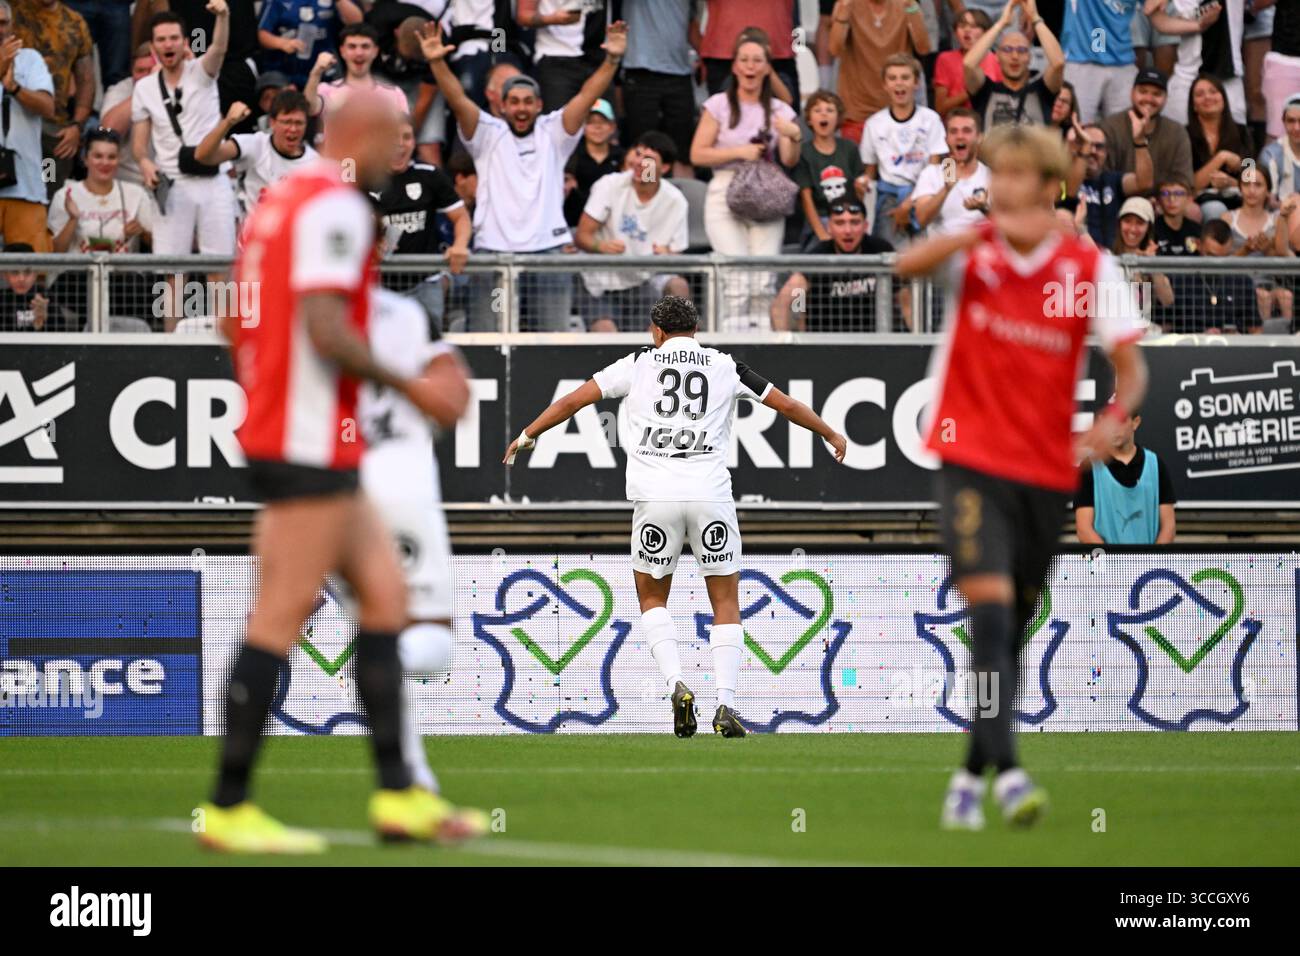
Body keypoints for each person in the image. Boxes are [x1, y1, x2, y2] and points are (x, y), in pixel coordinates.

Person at [200, 91, 486, 853]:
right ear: (364, 136)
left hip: (299, 430)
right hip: (308, 440)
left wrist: (265, 383)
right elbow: (328, 328)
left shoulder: (276, 201)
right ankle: (229, 805)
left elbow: (235, 315)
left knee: (386, 602)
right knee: (280, 614)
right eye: (398, 136)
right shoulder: (338, 206)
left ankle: (399, 797)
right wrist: (410, 385)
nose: (404, 151)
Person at [896, 123, 1148, 830]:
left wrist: (1109, 422)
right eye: (994, 175)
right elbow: (904, 268)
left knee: (1010, 632)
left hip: (1044, 471)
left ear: (1046, 186)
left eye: (1013, 175)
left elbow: (1131, 369)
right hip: (970, 459)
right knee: (990, 613)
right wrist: (970, 235)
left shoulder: (1088, 270)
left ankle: (970, 773)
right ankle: (1009, 773)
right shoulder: (975, 256)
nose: (998, 185)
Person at [504, 295, 848, 737]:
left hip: (656, 495)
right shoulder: (726, 365)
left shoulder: (636, 364)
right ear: (696, 329)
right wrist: (830, 432)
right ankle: (725, 704)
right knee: (725, 601)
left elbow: (573, 401)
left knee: (652, 599)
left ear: (656, 331)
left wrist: (528, 434)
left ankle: (676, 684)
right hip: (711, 494)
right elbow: (784, 405)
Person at [421, 17, 627, 332]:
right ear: (501, 105)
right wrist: (436, 63)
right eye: (514, 102)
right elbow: (457, 99)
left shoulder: (554, 131)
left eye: (528, 102)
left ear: (539, 105)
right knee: (490, 338)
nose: (521, 108)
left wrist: (612, 59)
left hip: (549, 252)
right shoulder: (487, 133)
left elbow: (587, 95)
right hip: (494, 253)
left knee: (553, 340)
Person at [358, 277, 475, 805]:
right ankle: (408, 788)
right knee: (425, 640)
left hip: (310, 481)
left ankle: (229, 800)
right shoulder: (403, 315)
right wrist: (409, 381)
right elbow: (453, 403)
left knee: (272, 630)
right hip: (396, 476)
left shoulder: (290, 310)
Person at [689, 30, 801, 330]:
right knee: (735, 276)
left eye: (757, 60)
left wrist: (794, 136)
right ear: (735, 66)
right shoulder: (717, 105)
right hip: (725, 187)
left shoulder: (780, 110)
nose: (751, 66)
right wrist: (741, 151)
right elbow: (697, 154)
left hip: (765, 192)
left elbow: (789, 159)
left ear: (767, 67)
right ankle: (731, 348)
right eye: (744, 60)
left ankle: (760, 349)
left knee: (762, 280)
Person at [132, 7, 237, 282]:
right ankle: (171, 328)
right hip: (173, 184)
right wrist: (144, 162)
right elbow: (140, 144)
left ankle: (220, 327)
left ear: (184, 42)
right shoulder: (144, 88)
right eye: (161, 39)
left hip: (214, 181)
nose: (168, 44)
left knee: (219, 268)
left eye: (173, 38)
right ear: (153, 46)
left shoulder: (202, 72)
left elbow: (219, 48)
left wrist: (223, 17)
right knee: (172, 273)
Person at [574, 132, 690, 332]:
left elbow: (676, 255)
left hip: (641, 283)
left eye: (649, 160)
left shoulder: (676, 201)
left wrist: (666, 255)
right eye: (637, 154)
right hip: (599, 283)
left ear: (664, 168)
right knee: (605, 331)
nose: (639, 163)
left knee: (654, 338)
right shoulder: (609, 185)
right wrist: (600, 246)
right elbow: (581, 237)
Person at [372, 111, 471, 332]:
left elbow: (461, 217)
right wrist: (371, 244)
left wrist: (460, 245)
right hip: (381, 285)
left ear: (414, 142)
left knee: (429, 349)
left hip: (426, 282)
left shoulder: (430, 176)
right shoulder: (367, 179)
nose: (400, 144)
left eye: (406, 137)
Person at [48, 128, 157, 321]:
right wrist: (73, 220)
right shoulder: (65, 194)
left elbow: (158, 245)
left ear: (118, 160)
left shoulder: (136, 193)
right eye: (98, 156)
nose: (105, 163)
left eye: (111, 157)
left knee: (141, 287)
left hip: (122, 280)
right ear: (85, 158)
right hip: (78, 280)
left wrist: (141, 232)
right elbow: (56, 250)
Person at [861, 53, 947, 245]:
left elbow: (936, 167)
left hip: (924, 195)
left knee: (924, 259)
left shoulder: (931, 119)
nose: (899, 83)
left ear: (916, 83)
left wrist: (911, 202)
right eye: (892, 78)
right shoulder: (874, 124)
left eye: (905, 77)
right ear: (884, 85)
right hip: (889, 198)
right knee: (890, 259)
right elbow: (870, 173)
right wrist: (862, 183)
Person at [771, 198, 895, 331]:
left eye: (855, 222)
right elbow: (786, 304)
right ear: (829, 227)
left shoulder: (880, 250)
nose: (848, 230)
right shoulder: (817, 258)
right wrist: (791, 345)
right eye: (839, 223)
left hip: (873, 342)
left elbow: (905, 299)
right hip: (825, 343)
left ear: (865, 226)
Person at [12, 0, 93, 198]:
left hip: (53, 132)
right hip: (14, 124)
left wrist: (77, 126)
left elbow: (86, 80)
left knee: (49, 191)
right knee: (12, 194)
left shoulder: (74, 23)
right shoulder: (12, 12)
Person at [194, 90, 318, 219]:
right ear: (272, 122)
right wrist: (227, 123)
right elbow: (202, 156)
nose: (293, 129)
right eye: (286, 122)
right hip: (253, 236)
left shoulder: (315, 164)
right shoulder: (254, 145)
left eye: (299, 123)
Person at [828, 0, 932, 145]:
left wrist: (912, 8)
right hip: (858, 111)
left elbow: (923, 48)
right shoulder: (846, 4)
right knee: (861, 167)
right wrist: (844, 10)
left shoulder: (906, 5)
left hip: (899, 110)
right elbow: (834, 50)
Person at [1075, 400, 1176, 544]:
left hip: (1150, 564)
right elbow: (1084, 530)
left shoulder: (1156, 465)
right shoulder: (1088, 468)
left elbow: (1168, 527)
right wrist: (1111, 564)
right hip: (1106, 564)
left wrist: (1153, 563)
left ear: (1135, 422)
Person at [0, 2, 55, 252]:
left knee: (31, 276)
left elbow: (48, 107)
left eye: (2, 23)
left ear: (12, 26)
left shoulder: (31, 59)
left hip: (26, 186)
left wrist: (15, 88)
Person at [962, 0, 1065, 130]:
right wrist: (1001, 23)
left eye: (1021, 50)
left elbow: (1058, 63)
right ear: (997, 57)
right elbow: (968, 64)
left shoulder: (1042, 91)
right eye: (1007, 50)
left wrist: (1035, 18)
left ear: (1029, 57)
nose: (1015, 56)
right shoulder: (985, 91)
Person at [621, 0, 695, 178]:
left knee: (682, 151)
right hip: (641, 72)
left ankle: (682, 201)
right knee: (643, 147)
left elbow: (692, 25)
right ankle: (645, 197)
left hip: (680, 74)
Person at [1099, 69, 1194, 202]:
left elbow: (1183, 181)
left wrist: (1162, 201)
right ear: (1132, 93)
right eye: (1143, 92)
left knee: (1193, 211)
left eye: (1156, 94)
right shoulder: (1110, 127)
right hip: (1116, 200)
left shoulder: (1177, 132)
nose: (1149, 99)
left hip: (1163, 203)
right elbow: (1102, 176)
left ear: (1166, 98)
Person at [793, 90, 867, 250]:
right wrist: (822, 234)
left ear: (838, 118)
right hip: (820, 218)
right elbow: (806, 199)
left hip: (848, 216)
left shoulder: (850, 148)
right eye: (817, 110)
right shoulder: (804, 152)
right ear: (810, 119)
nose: (823, 115)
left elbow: (859, 195)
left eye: (830, 110)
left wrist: (861, 188)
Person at [696, 0, 801, 107]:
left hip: (779, 52)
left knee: (787, 112)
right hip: (722, 54)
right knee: (721, 113)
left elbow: (788, 105)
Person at [1223, 165, 1293, 323]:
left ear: (1268, 189)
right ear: (1240, 188)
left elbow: (1284, 257)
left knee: (1285, 296)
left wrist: (1268, 249)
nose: (1251, 190)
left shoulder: (1276, 220)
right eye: (1247, 184)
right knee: (1262, 296)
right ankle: (1262, 342)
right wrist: (1245, 250)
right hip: (1237, 286)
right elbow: (1220, 262)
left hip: (1270, 284)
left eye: (1258, 185)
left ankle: (1290, 343)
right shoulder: (1227, 219)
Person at [1072, 115, 1153, 249]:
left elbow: (1144, 182)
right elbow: (1069, 191)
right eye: (1086, 144)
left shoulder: (1113, 180)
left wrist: (1140, 142)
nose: (1092, 151)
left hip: (1110, 260)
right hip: (1075, 259)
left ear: (1106, 152)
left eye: (1099, 147)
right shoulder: (1065, 181)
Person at [1164, 218, 1259, 332]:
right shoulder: (1180, 280)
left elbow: (1256, 330)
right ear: (1198, 245)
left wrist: (1237, 338)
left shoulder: (1242, 282)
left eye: (1224, 257)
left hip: (1232, 347)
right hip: (1189, 347)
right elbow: (1165, 328)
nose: (1218, 264)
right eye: (1211, 256)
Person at [1148, 0, 1233, 125]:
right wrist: (1198, 25)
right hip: (1187, 77)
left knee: (1230, 138)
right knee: (1179, 137)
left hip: (1229, 79)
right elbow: (1151, 11)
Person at [305, 24, 409, 124]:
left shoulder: (394, 93)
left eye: (365, 46)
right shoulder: (327, 90)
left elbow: (404, 132)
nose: (359, 53)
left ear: (375, 51)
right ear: (342, 51)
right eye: (352, 47)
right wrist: (316, 72)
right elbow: (309, 108)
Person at [911, 109, 991, 236]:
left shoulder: (991, 177)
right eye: (954, 131)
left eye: (967, 131)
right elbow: (921, 220)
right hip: (942, 253)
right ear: (946, 139)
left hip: (978, 253)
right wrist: (946, 189)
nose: (960, 136)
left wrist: (984, 209)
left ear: (980, 137)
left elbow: (1007, 228)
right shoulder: (931, 173)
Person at [1187, 72, 1254, 221]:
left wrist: (1231, 183)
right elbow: (1190, 186)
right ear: (1194, 106)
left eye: (1213, 92)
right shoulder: (1184, 135)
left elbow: (1252, 179)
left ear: (1223, 99)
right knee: (1215, 209)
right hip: (1202, 202)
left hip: (1238, 198)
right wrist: (1221, 157)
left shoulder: (1243, 133)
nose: (1208, 97)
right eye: (1200, 94)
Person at [1061, 0, 1141, 123]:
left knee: (1123, 133)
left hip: (1123, 63)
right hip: (1081, 60)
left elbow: (1153, 10)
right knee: (1076, 128)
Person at [517, 0, 603, 113]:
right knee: (558, 124)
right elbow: (523, 16)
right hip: (555, 57)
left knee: (604, 123)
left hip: (597, 57)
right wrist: (553, 19)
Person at [258, 0, 362, 90]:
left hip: (325, 70)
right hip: (284, 72)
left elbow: (357, 22)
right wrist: (282, 43)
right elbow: (262, 34)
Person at [98, 43, 156, 188]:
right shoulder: (122, 89)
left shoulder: (179, 85)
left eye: (151, 71)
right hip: (128, 183)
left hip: (169, 181)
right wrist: (144, 91)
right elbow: (108, 133)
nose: (145, 77)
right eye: (140, 71)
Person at [563, 98, 624, 227]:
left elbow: (647, 177)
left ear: (612, 127)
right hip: (575, 224)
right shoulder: (570, 155)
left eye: (603, 122)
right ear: (583, 127)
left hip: (613, 224)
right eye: (591, 122)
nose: (597, 127)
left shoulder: (622, 156)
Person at [1111, 195, 1174, 315]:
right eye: (1127, 221)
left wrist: (1152, 264)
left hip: (1144, 330)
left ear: (1148, 228)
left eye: (1140, 223)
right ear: (1119, 224)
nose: (1133, 229)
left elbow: (1167, 300)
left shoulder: (1154, 260)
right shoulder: (1109, 256)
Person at [934, 8, 1002, 117]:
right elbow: (940, 108)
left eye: (974, 26)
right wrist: (971, 91)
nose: (967, 30)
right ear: (955, 32)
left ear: (986, 32)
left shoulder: (996, 60)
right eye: (962, 26)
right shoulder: (945, 59)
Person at [0, 242, 72, 330]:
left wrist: (45, 320)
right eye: (14, 272)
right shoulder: (2, 299)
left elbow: (62, 333)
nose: (21, 278)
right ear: (3, 274)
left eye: (27, 272)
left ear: (35, 273)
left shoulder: (47, 298)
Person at [1258, 93, 1300, 204]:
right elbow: (1270, 201)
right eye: (1291, 121)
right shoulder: (1270, 155)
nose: (1297, 128)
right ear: (1283, 122)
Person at [1153, 177, 1200, 255]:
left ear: (1189, 199)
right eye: (1165, 194)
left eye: (1178, 194)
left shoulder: (1197, 231)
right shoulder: (1151, 231)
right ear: (1158, 200)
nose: (1172, 199)